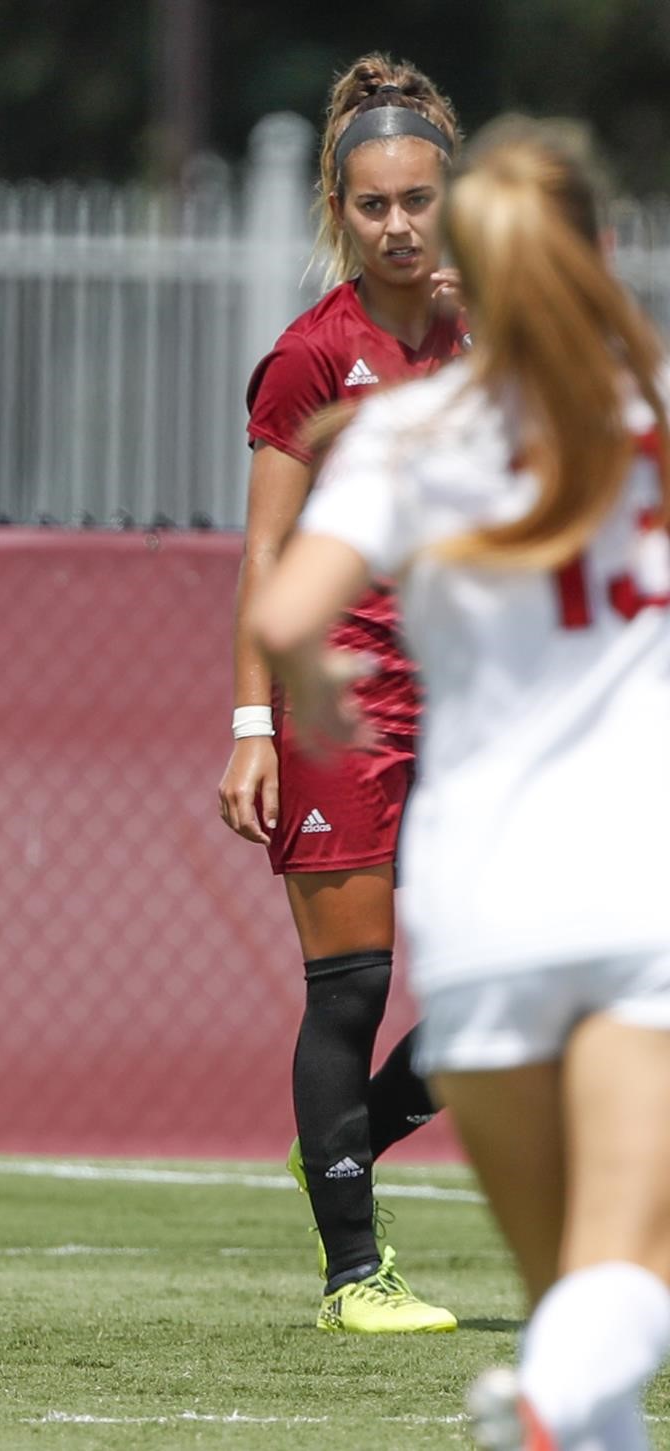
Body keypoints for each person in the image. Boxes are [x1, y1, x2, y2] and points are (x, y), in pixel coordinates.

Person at [254, 115, 670, 1451]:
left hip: (484, 897)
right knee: (626, 1266)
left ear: (462, 256)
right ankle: (546, 1399)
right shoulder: (645, 411)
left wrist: (304, 697)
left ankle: (557, 1405)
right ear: (602, 250)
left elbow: (288, 610)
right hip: (626, 876)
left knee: (569, 1278)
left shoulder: (406, 431)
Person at [216, 53, 464, 1333]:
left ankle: (343, 1137)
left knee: (511, 970)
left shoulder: (504, 338)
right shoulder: (311, 355)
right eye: (372, 205)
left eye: (417, 198)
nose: (398, 224)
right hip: (337, 703)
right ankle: (352, 1272)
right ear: (338, 208)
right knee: (351, 987)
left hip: (481, 703)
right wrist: (252, 720)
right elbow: (266, 551)